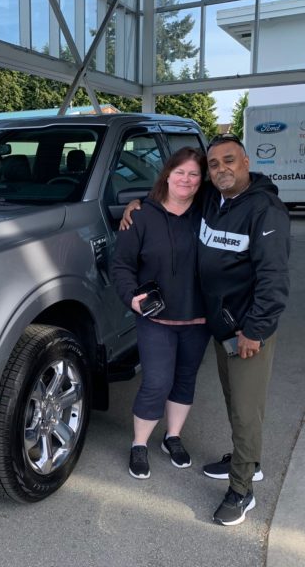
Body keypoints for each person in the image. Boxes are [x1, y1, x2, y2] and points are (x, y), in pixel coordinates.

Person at [120, 133, 290, 526]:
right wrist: (138, 205)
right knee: (235, 401)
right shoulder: (214, 201)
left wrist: (256, 330)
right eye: (213, 165)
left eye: (228, 161)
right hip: (222, 324)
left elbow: (274, 279)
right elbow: (172, 192)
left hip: (248, 329)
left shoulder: (266, 211)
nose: (220, 170)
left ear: (246, 161)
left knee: (247, 409)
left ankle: (242, 490)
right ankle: (247, 460)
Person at [111, 147, 211, 481]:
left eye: (194, 174)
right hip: (156, 317)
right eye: (180, 172)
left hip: (199, 318)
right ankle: (139, 444)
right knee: (156, 381)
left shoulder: (209, 214)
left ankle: (172, 437)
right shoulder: (140, 215)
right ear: (167, 174)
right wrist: (132, 298)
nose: (186, 179)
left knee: (184, 379)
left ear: (201, 180)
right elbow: (121, 265)